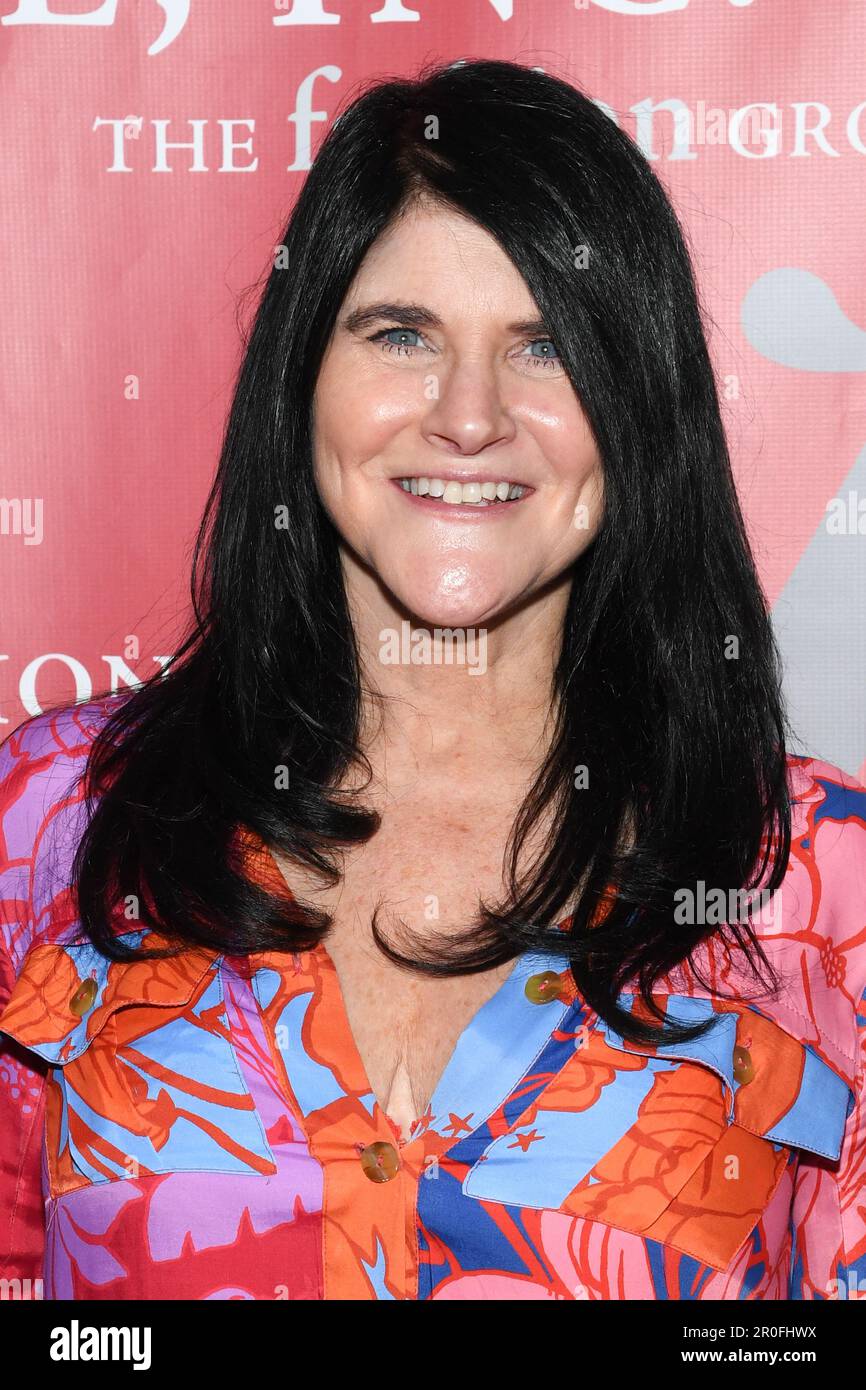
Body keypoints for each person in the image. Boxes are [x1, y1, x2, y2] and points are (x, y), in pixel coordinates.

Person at [1, 57, 864, 1302]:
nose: (467, 416)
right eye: (401, 334)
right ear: (303, 379)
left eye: (545, 348)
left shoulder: (810, 880)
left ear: (639, 410)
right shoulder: (56, 815)